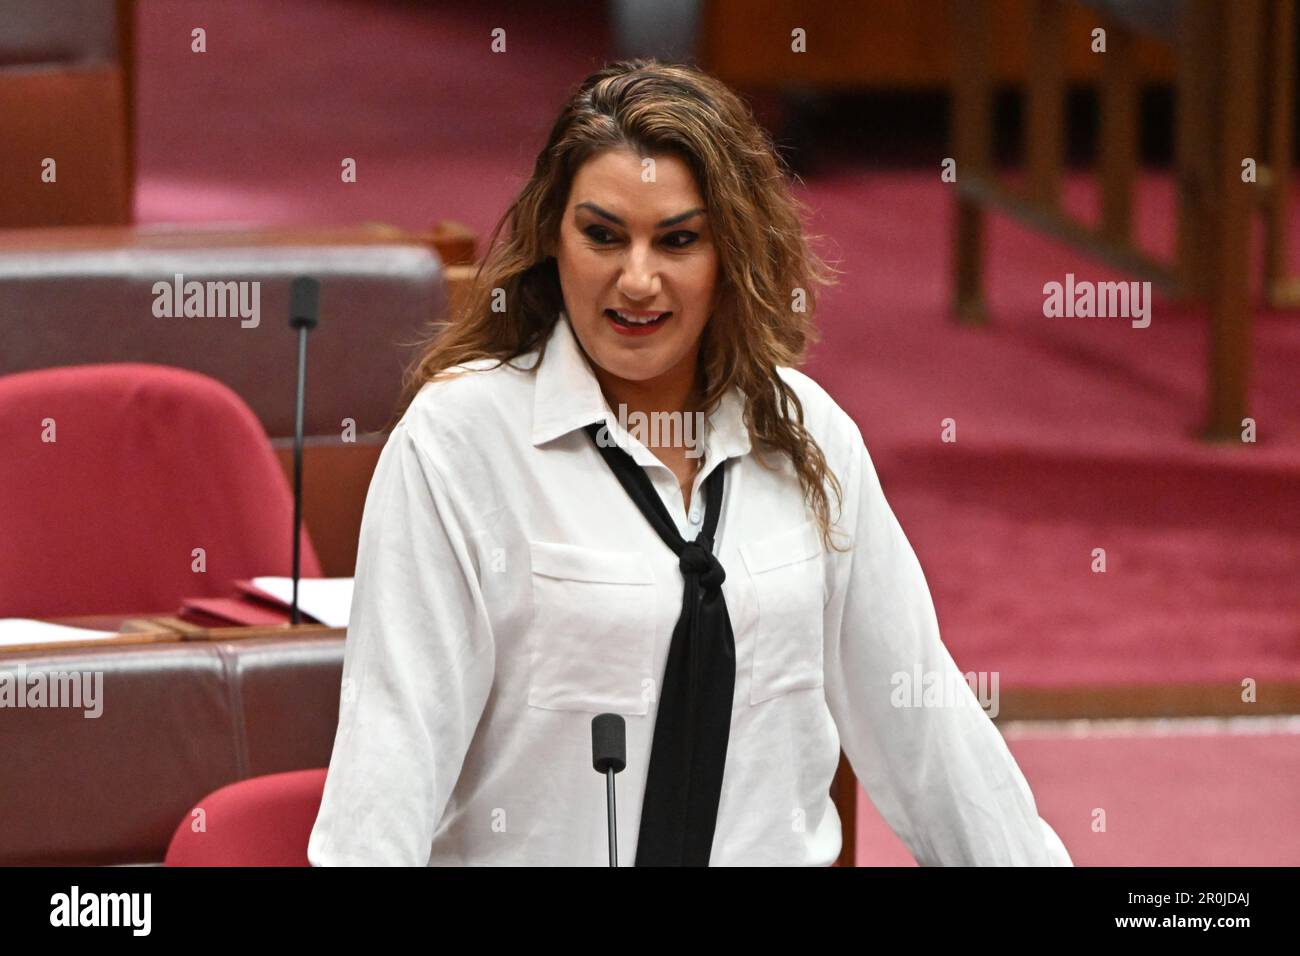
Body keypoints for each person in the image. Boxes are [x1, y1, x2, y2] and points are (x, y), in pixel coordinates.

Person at [308, 59, 1072, 867]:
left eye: (677, 240)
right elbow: (388, 764)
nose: (637, 280)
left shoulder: (811, 435)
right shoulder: (460, 443)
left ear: (730, 253)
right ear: (552, 240)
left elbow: (929, 734)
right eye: (602, 235)